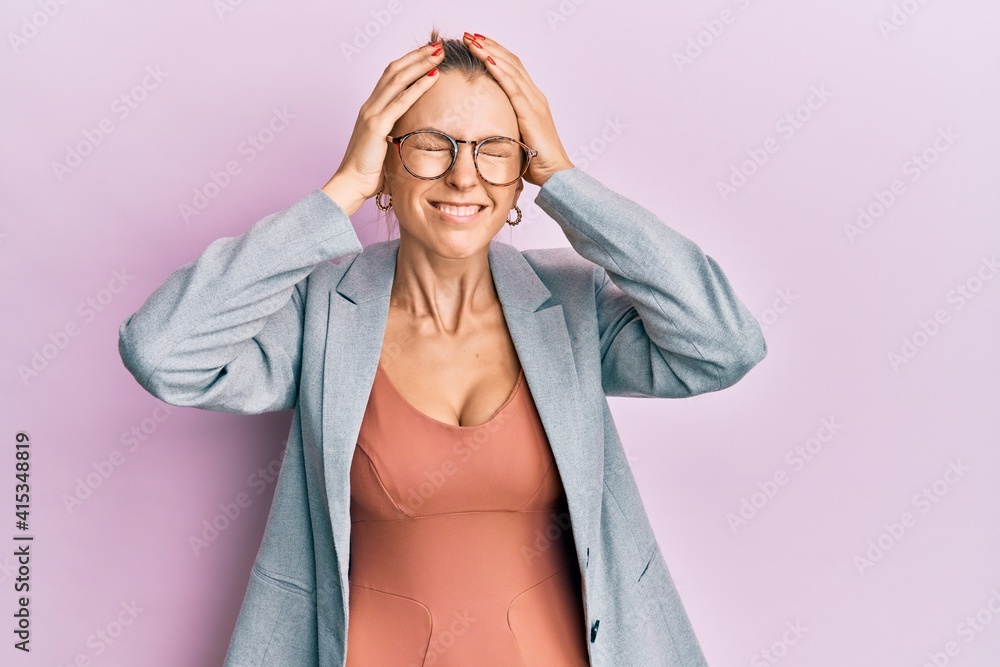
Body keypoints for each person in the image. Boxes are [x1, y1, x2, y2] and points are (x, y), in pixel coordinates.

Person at [118, 29, 766, 667]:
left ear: (520, 178)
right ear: (386, 166)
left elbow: (723, 342)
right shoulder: (322, 313)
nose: (463, 176)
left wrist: (566, 181)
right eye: (432, 146)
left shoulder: (570, 306)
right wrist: (338, 189)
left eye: (495, 150)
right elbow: (162, 350)